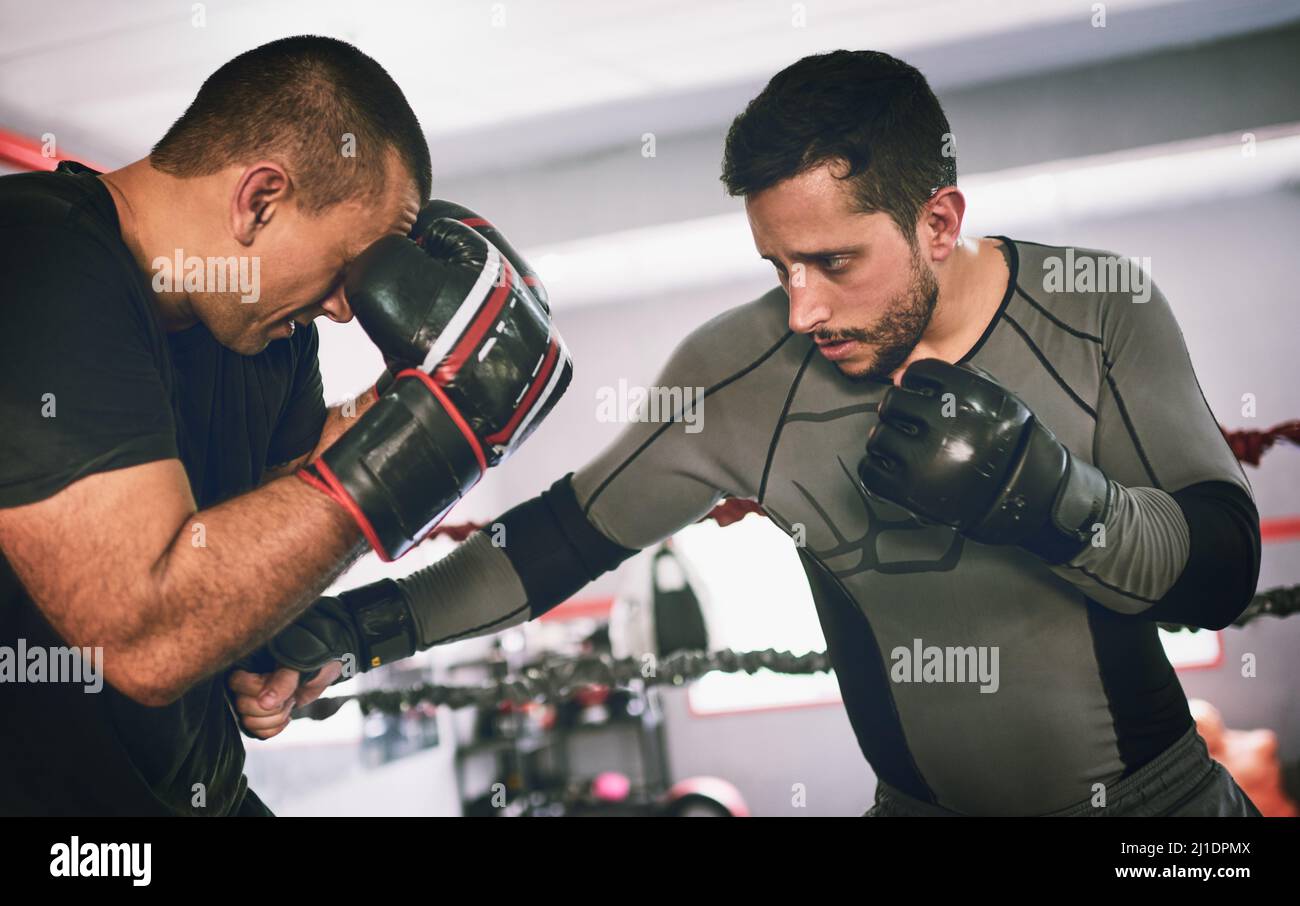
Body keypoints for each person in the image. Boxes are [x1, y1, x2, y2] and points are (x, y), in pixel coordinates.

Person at [235, 50, 1261, 816]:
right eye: (779, 267)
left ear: (937, 222)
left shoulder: (1096, 310)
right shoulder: (739, 374)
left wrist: (1052, 496)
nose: (803, 308)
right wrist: (353, 632)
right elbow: (556, 543)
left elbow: (1218, 572)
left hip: (1156, 817)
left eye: (834, 262)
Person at [0, 35, 569, 816]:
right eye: (345, 271)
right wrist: (429, 432)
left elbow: (262, 543)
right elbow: (143, 635)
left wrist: (407, 395)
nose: (344, 308)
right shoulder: (39, 263)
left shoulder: (273, 339)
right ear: (260, 199)